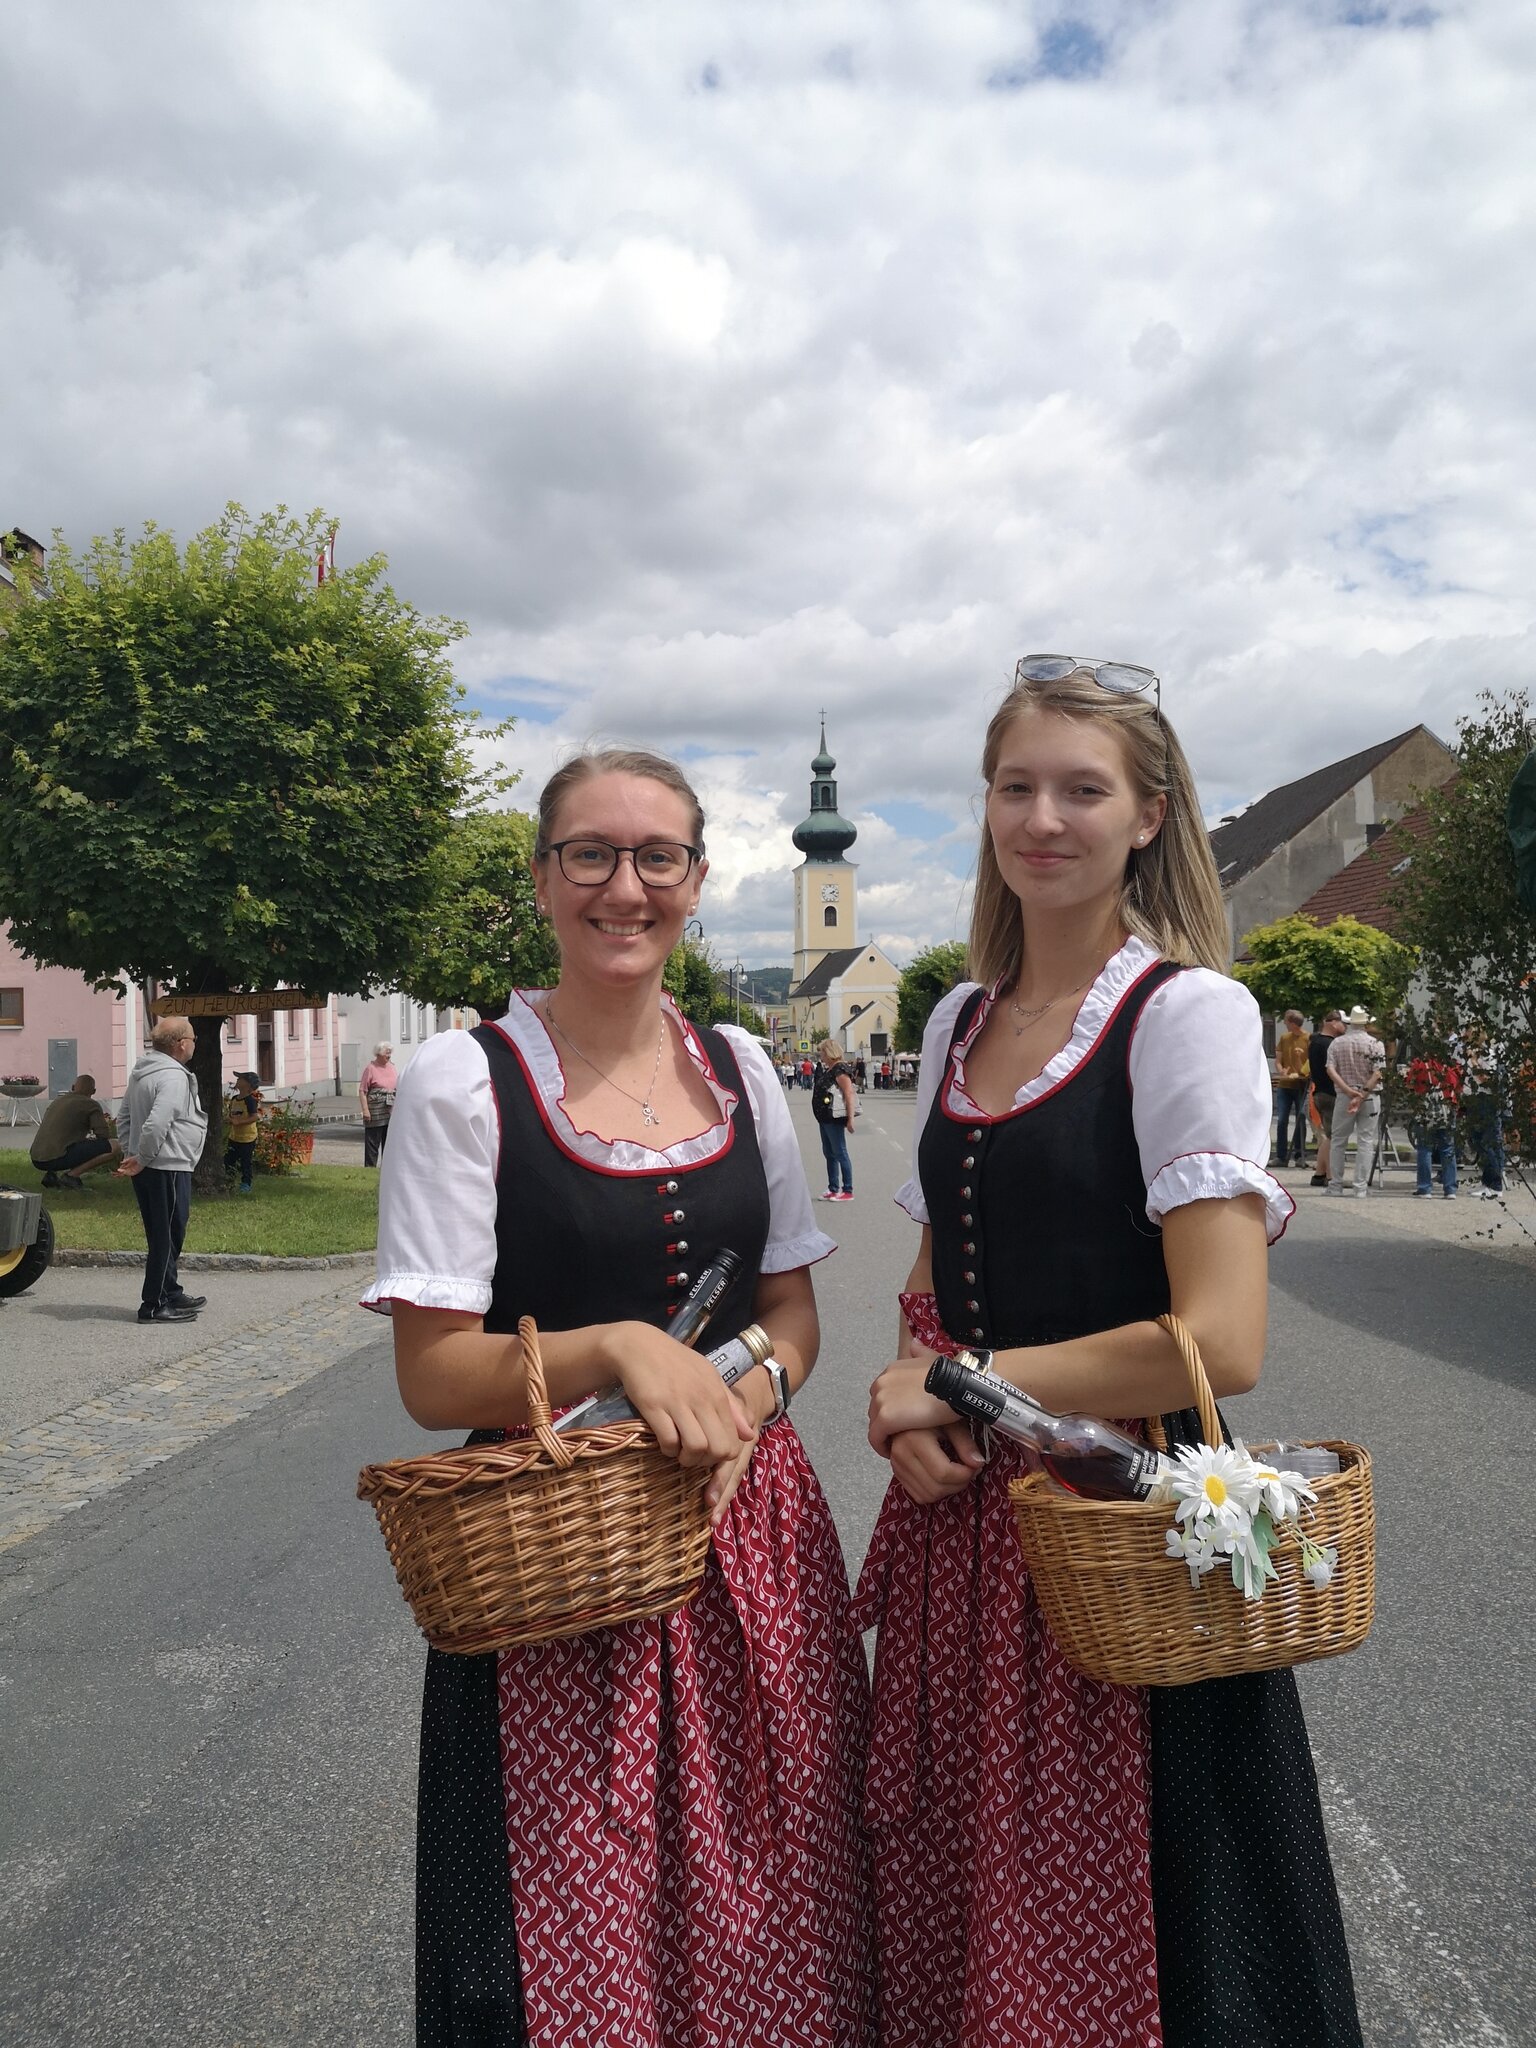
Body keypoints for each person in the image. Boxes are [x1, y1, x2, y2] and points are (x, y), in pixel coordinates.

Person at [858, 658, 1360, 2047]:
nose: (1044, 818)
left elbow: (1220, 1341)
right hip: (972, 1535)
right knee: (967, 1907)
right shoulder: (963, 1013)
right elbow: (929, 1282)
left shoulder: (1187, 1014)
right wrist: (916, 1414)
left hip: (1118, 1528)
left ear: (1149, 816)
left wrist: (964, 1385)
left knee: (1143, 1925)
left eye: (1085, 789)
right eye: (1017, 786)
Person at [364, 747, 874, 2047]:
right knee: (575, 1952)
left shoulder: (745, 1070)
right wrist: (613, 1351)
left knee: (780, 1915)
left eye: (657, 858)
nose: (624, 886)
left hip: (748, 1546)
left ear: (696, 882)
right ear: (543, 881)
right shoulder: (462, 1086)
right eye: (590, 854)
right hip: (556, 1573)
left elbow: (793, 1319)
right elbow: (435, 1377)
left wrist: (736, 1396)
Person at [117, 1017, 209, 1325]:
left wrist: (132, 1154)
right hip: (165, 1164)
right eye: (193, 1039)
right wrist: (141, 1157)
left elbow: (124, 1117)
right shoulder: (172, 1076)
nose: (195, 1044)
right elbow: (157, 1123)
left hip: (158, 1163)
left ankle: (170, 1291)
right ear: (181, 1043)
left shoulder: (143, 1072)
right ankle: (153, 1305)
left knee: (168, 1231)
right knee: (166, 1236)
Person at [1325, 1006, 1385, 1197]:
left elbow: (1331, 1070)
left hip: (1344, 1096)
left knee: (1338, 1141)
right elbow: (1378, 1072)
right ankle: (1360, 1187)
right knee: (1366, 1141)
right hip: (1370, 1096)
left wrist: (1348, 1091)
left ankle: (1335, 1185)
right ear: (1366, 1023)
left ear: (1349, 1022)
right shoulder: (1375, 1044)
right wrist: (1363, 1093)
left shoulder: (1337, 1043)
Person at [29, 1074, 121, 1189]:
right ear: (93, 1091)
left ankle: (51, 1175)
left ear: (73, 1087)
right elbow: (103, 1136)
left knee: (69, 1144)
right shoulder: (91, 1104)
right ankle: (71, 1176)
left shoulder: (58, 1101)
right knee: (115, 1146)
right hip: (56, 1157)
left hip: (36, 1158)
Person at [1404, 1049, 1460, 1199]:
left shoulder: (1419, 1065)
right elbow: (1458, 1085)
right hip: (1447, 1109)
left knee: (1424, 1148)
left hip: (1425, 1110)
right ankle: (1450, 1189)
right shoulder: (1451, 1065)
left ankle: (1425, 1188)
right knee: (1448, 1149)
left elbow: (1410, 1084)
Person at [812, 1036, 859, 1201]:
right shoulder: (830, 1069)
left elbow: (848, 1093)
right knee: (829, 1153)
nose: (821, 1056)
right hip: (824, 1118)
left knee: (840, 1152)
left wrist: (850, 1119)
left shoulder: (840, 1069)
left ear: (829, 1052)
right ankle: (833, 1188)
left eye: (822, 1053)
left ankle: (847, 1190)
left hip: (833, 1118)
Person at [1308, 1009, 1345, 1186]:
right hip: (1330, 1092)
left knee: (1328, 1135)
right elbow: (1332, 1070)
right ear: (1331, 1022)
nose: (1344, 1026)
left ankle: (1319, 1173)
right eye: (1341, 1022)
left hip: (1319, 1091)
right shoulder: (1330, 1044)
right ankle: (1331, 1176)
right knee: (1334, 1136)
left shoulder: (1315, 1042)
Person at [1272, 1008, 1311, 1167]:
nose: (1285, 1024)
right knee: (1282, 1120)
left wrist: (1301, 1068)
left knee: (1301, 1118)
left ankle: (1300, 1154)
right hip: (1285, 1084)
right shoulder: (1284, 1038)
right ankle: (1281, 1156)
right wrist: (1281, 1070)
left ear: (1293, 1023)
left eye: (1287, 1022)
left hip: (1301, 1085)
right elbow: (1278, 1060)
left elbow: (1310, 1064)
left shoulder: (1308, 1039)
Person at [358, 1041, 397, 1168]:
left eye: (390, 1052)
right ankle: (370, 1168)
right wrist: (365, 1110)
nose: (389, 1054)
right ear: (378, 1053)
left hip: (390, 1110)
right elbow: (362, 1091)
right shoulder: (371, 1068)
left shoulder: (392, 1067)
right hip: (375, 1111)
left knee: (389, 1143)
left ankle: (387, 1169)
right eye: (387, 1051)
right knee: (373, 1142)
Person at [223, 1070, 263, 1193]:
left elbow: (255, 1116)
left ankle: (246, 1183)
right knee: (229, 1160)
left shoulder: (250, 1100)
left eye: (240, 1079)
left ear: (248, 1085)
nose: (237, 1081)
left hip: (247, 1138)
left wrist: (240, 1122)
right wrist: (228, 1119)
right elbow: (232, 1114)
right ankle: (229, 1180)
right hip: (234, 1137)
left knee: (246, 1162)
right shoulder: (234, 1099)